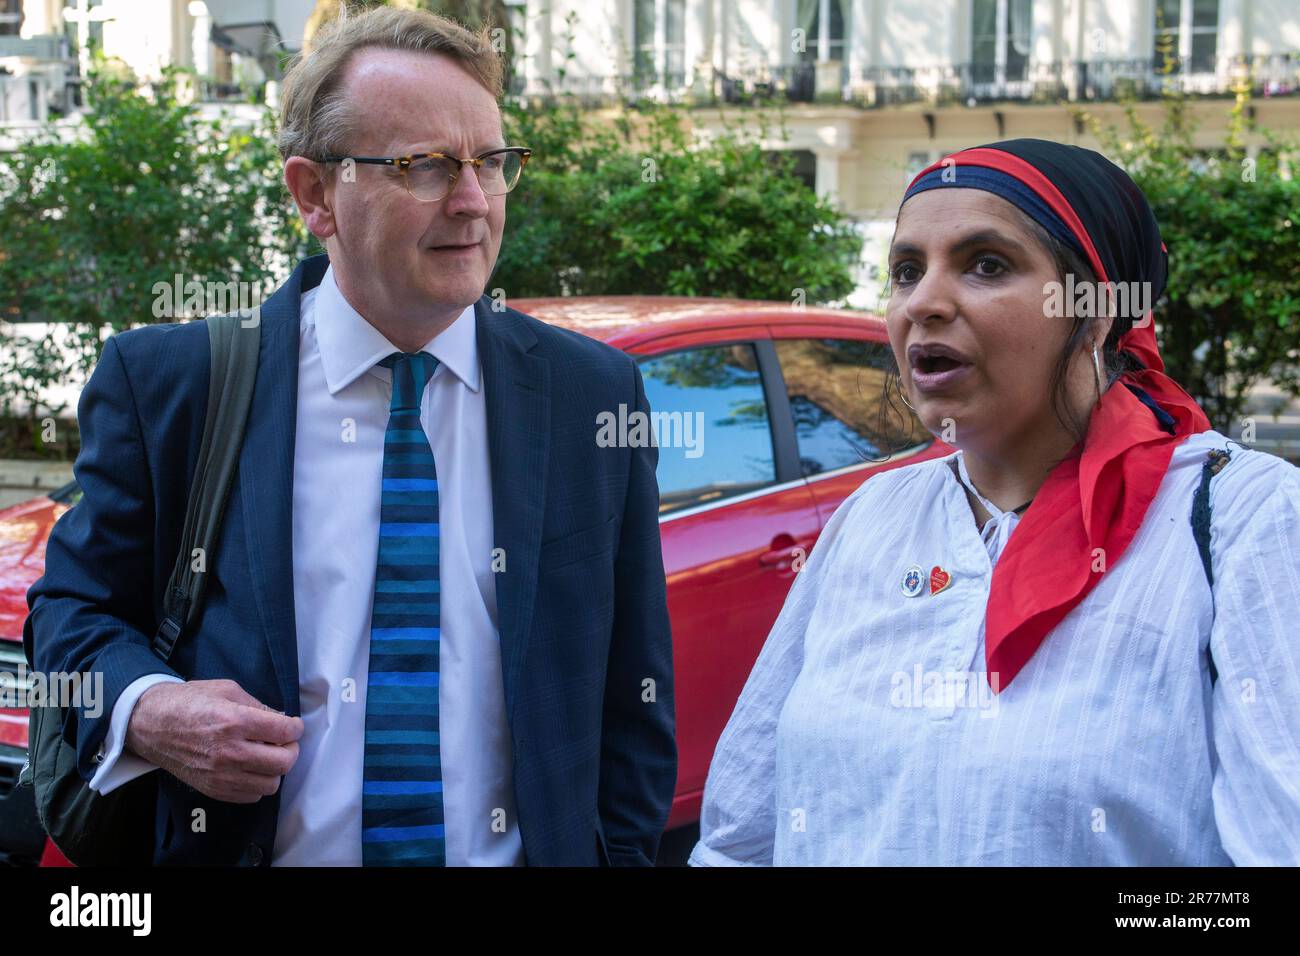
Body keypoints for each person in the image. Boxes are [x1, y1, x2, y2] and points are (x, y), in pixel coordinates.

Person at [25, 5, 675, 866]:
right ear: (314, 193)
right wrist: (148, 708)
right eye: (427, 167)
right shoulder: (176, 385)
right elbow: (69, 613)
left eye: (492, 162)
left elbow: (636, 704)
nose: (475, 202)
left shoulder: (590, 394)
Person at [689, 138, 1300, 866]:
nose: (924, 302)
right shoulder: (872, 517)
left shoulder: (1242, 520)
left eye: (987, 264)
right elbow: (739, 840)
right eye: (907, 271)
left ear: (1096, 311)